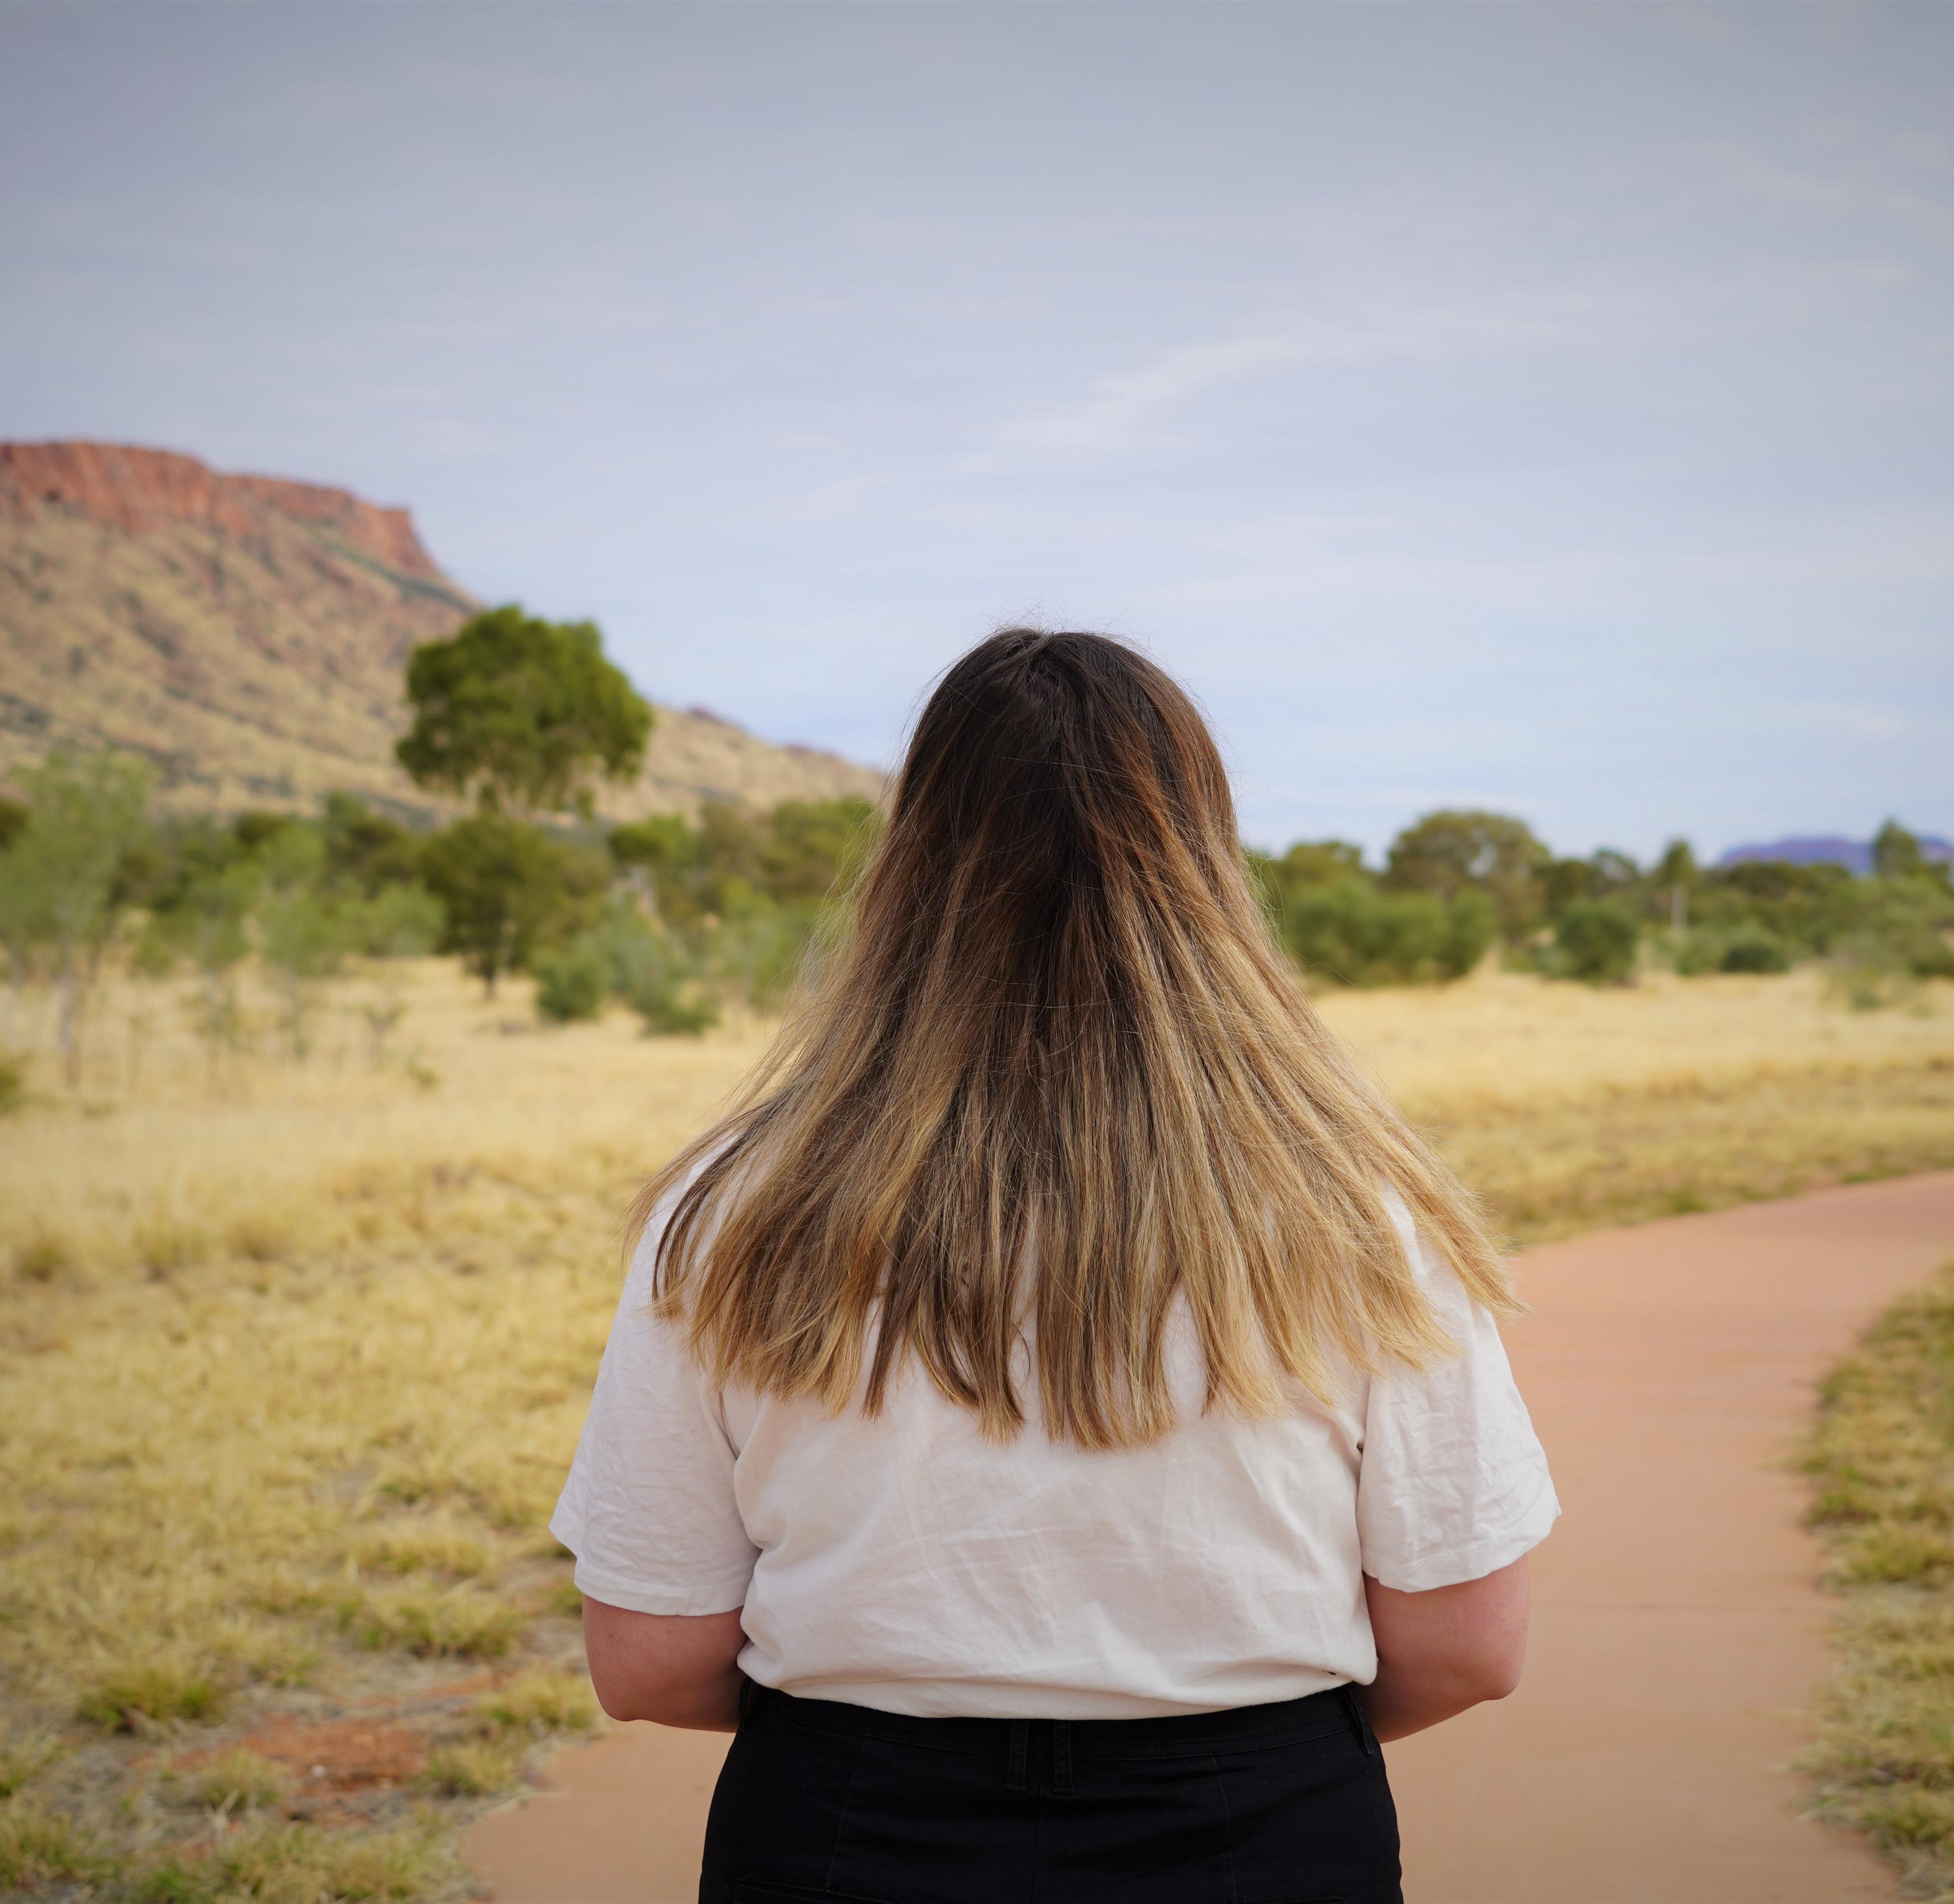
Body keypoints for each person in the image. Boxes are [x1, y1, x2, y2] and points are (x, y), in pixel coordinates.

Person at [553, 630, 1557, 1903]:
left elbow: (649, 1659)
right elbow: (1466, 1647)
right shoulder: (1361, 1206)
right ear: (1203, 858)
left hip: (845, 1826)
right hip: (1260, 1829)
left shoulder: (726, 1210)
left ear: (913, 857)